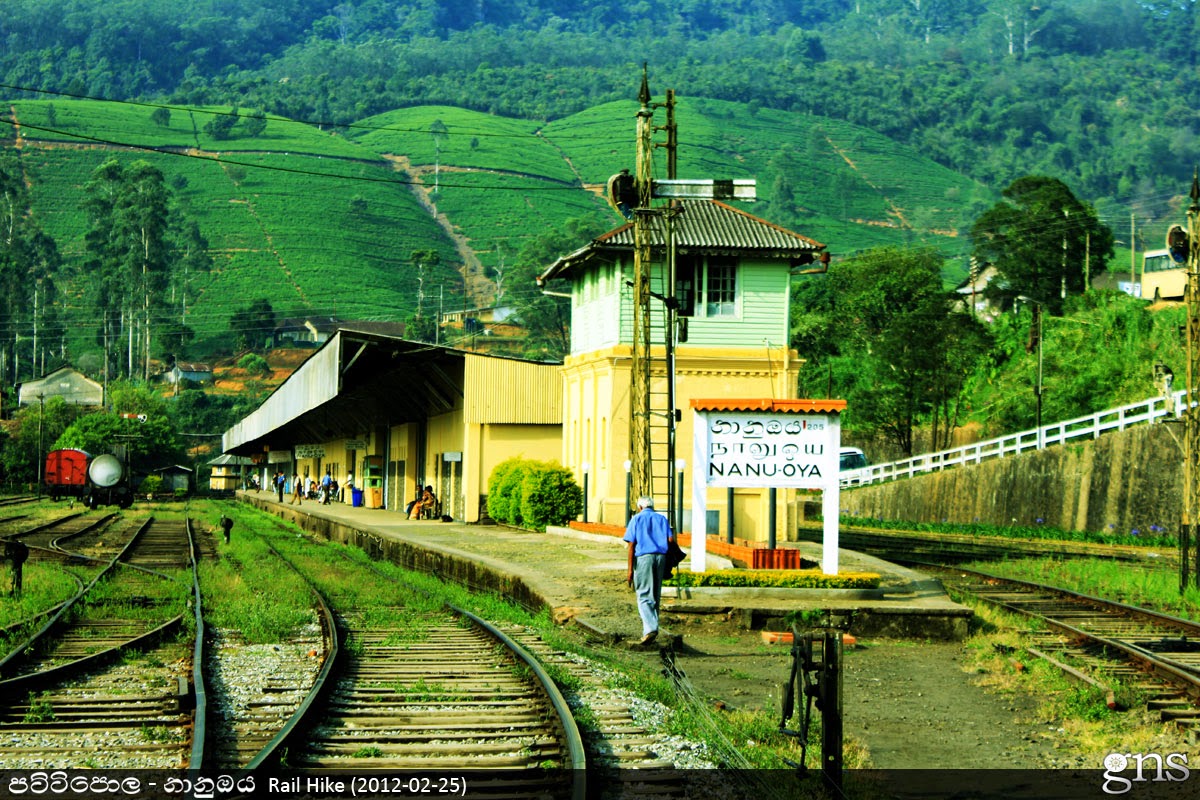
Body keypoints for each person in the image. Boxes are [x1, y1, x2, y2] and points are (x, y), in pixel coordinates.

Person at [623, 496, 675, 646]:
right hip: (661, 557)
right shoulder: (662, 519)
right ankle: (651, 628)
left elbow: (631, 545)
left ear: (640, 507)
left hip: (644, 558)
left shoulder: (636, 519)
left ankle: (650, 629)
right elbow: (670, 540)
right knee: (655, 594)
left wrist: (630, 570)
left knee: (644, 594)